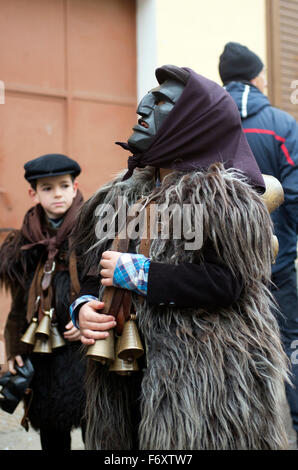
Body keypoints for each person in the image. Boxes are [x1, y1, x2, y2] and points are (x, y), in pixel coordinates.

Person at [70, 65, 289, 450]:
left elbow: (229, 283)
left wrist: (142, 275)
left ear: (193, 122)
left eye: (160, 102)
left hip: (202, 391)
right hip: (123, 384)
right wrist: (84, 305)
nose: (142, 106)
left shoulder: (225, 201)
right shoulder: (116, 196)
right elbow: (94, 269)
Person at [219, 41, 298, 441]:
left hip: (221, 275)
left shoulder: (207, 124)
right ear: (257, 76)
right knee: (291, 352)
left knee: (231, 356)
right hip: (278, 269)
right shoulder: (281, 125)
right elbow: (297, 191)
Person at [0, 153, 87, 451]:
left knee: (98, 430)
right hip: (43, 351)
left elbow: (108, 286)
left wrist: (88, 318)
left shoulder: (93, 230)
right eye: (47, 188)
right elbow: (18, 303)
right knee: (51, 429)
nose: (57, 194)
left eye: (64, 185)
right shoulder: (24, 241)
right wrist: (14, 349)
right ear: (33, 193)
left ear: (75, 187)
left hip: (88, 349)